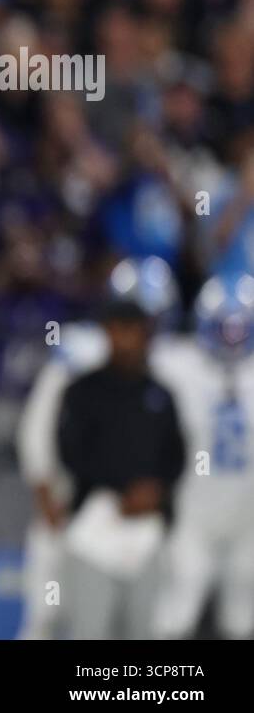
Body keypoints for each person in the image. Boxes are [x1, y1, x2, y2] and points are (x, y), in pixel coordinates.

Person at [55, 295, 186, 640]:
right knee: (90, 631)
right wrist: (122, 490)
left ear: (146, 335)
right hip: (95, 526)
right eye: (118, 330)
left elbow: (177, 455)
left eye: (134, 331)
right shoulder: (83, 390)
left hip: (145, 529)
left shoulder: (160, 394)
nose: (126, 339)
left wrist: (155, 491)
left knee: (143, 632)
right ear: (107, 333)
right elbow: (70, 453)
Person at [152, 273, 254, 639]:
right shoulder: (180, 363)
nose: (231, 337)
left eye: (238, 327)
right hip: (192, 510)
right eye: (223, 327)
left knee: (242, 618)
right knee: (177, 609)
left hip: (248, 516)